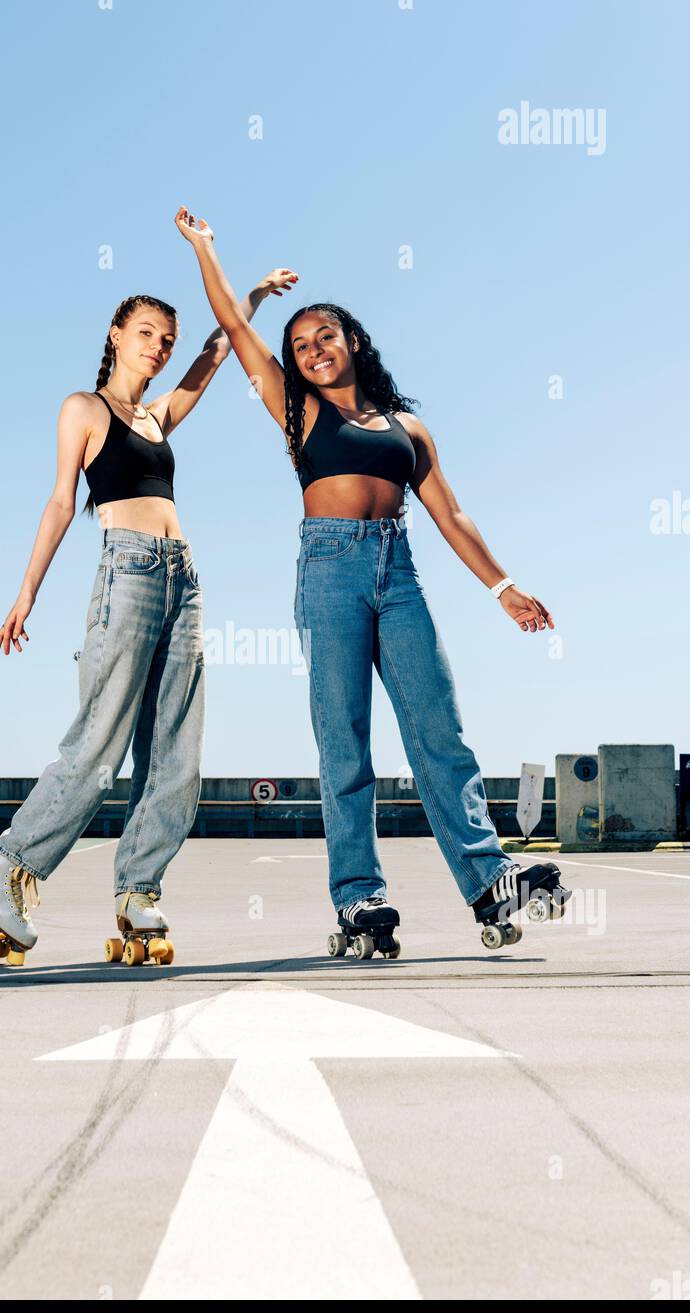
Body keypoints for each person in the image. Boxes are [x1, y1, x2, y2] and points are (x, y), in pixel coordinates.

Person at [175, 206, 571, 954]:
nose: (314, 348)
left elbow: (451, 513)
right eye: (300, 343)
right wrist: (209, 250)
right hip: (328, 570)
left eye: (326, 334)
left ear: (354, 341)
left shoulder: (407, 428)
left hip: (401, 573)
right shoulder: (293, 408)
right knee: (345, 741)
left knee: (438, 731)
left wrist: (502, 586)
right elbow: (232, 325)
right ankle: (359, 898)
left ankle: (489, 882)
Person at [0, 273, 296, 963]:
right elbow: (57, 503)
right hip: (127, 577)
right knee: (98, 748)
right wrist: (26, 595)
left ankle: (139, 889)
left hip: (184, 581)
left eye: (165, 340)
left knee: (177, 754)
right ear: (115, 335)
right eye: (145, 334)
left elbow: (218, 350)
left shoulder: (156, 417)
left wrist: (250, 293)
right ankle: (6, 864)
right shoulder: (84, 408)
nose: (159, 348)